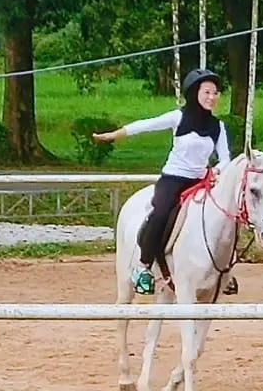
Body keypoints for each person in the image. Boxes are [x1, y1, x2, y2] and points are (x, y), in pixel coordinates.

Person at [92, 68, 230, 295]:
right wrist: (115, 135)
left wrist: (216, 170)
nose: (212, 97)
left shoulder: (218, 127)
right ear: (194, 93)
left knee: (224, 215)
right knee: (160, 213)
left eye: (215, 93)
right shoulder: (179, 117)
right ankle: (144, 265)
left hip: (201, 182)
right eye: (207, 92)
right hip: (174, 180)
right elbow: (147, 125)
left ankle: (222, 270)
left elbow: (225, 157)